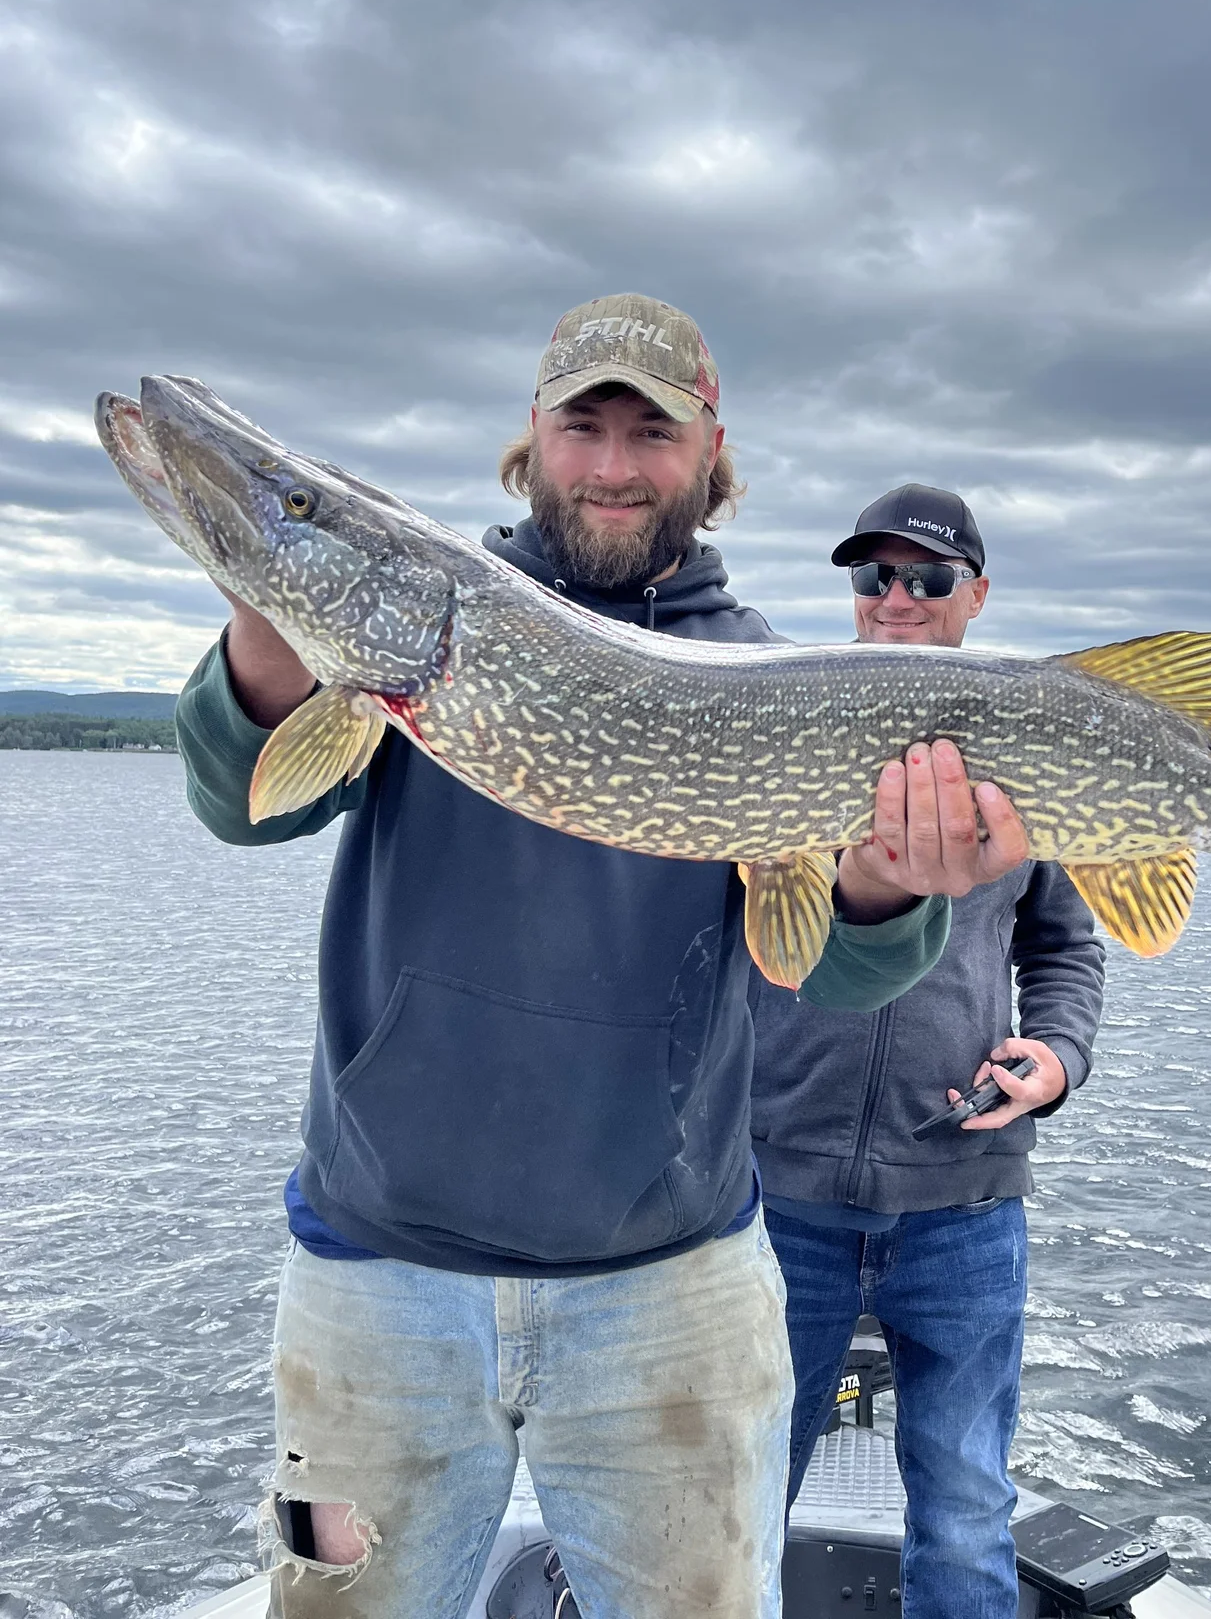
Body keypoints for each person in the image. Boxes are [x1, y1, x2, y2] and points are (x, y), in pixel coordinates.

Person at [175, 304, 1029, 1619]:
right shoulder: (422, 627)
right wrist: (272, 620)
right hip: (374, 1276)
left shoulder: (770, 672)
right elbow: (245, 801)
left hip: (672, 1290)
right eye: (585, 425)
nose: (616, 465)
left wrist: (876, 887)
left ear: (710, 453)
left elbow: (836, 973)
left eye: (653, 432)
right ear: (534, 437)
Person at [750, 484, 1107, 1619]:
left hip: (965, 1202)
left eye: (929, 577)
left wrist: (1056, 1060)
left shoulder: (1026, 764)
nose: (897, 598)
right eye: (873, 577)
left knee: (963, 1508)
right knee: (738, 1500)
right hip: (777, 1194)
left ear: (977, 596)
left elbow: (1066, 952)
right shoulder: (779, 726)